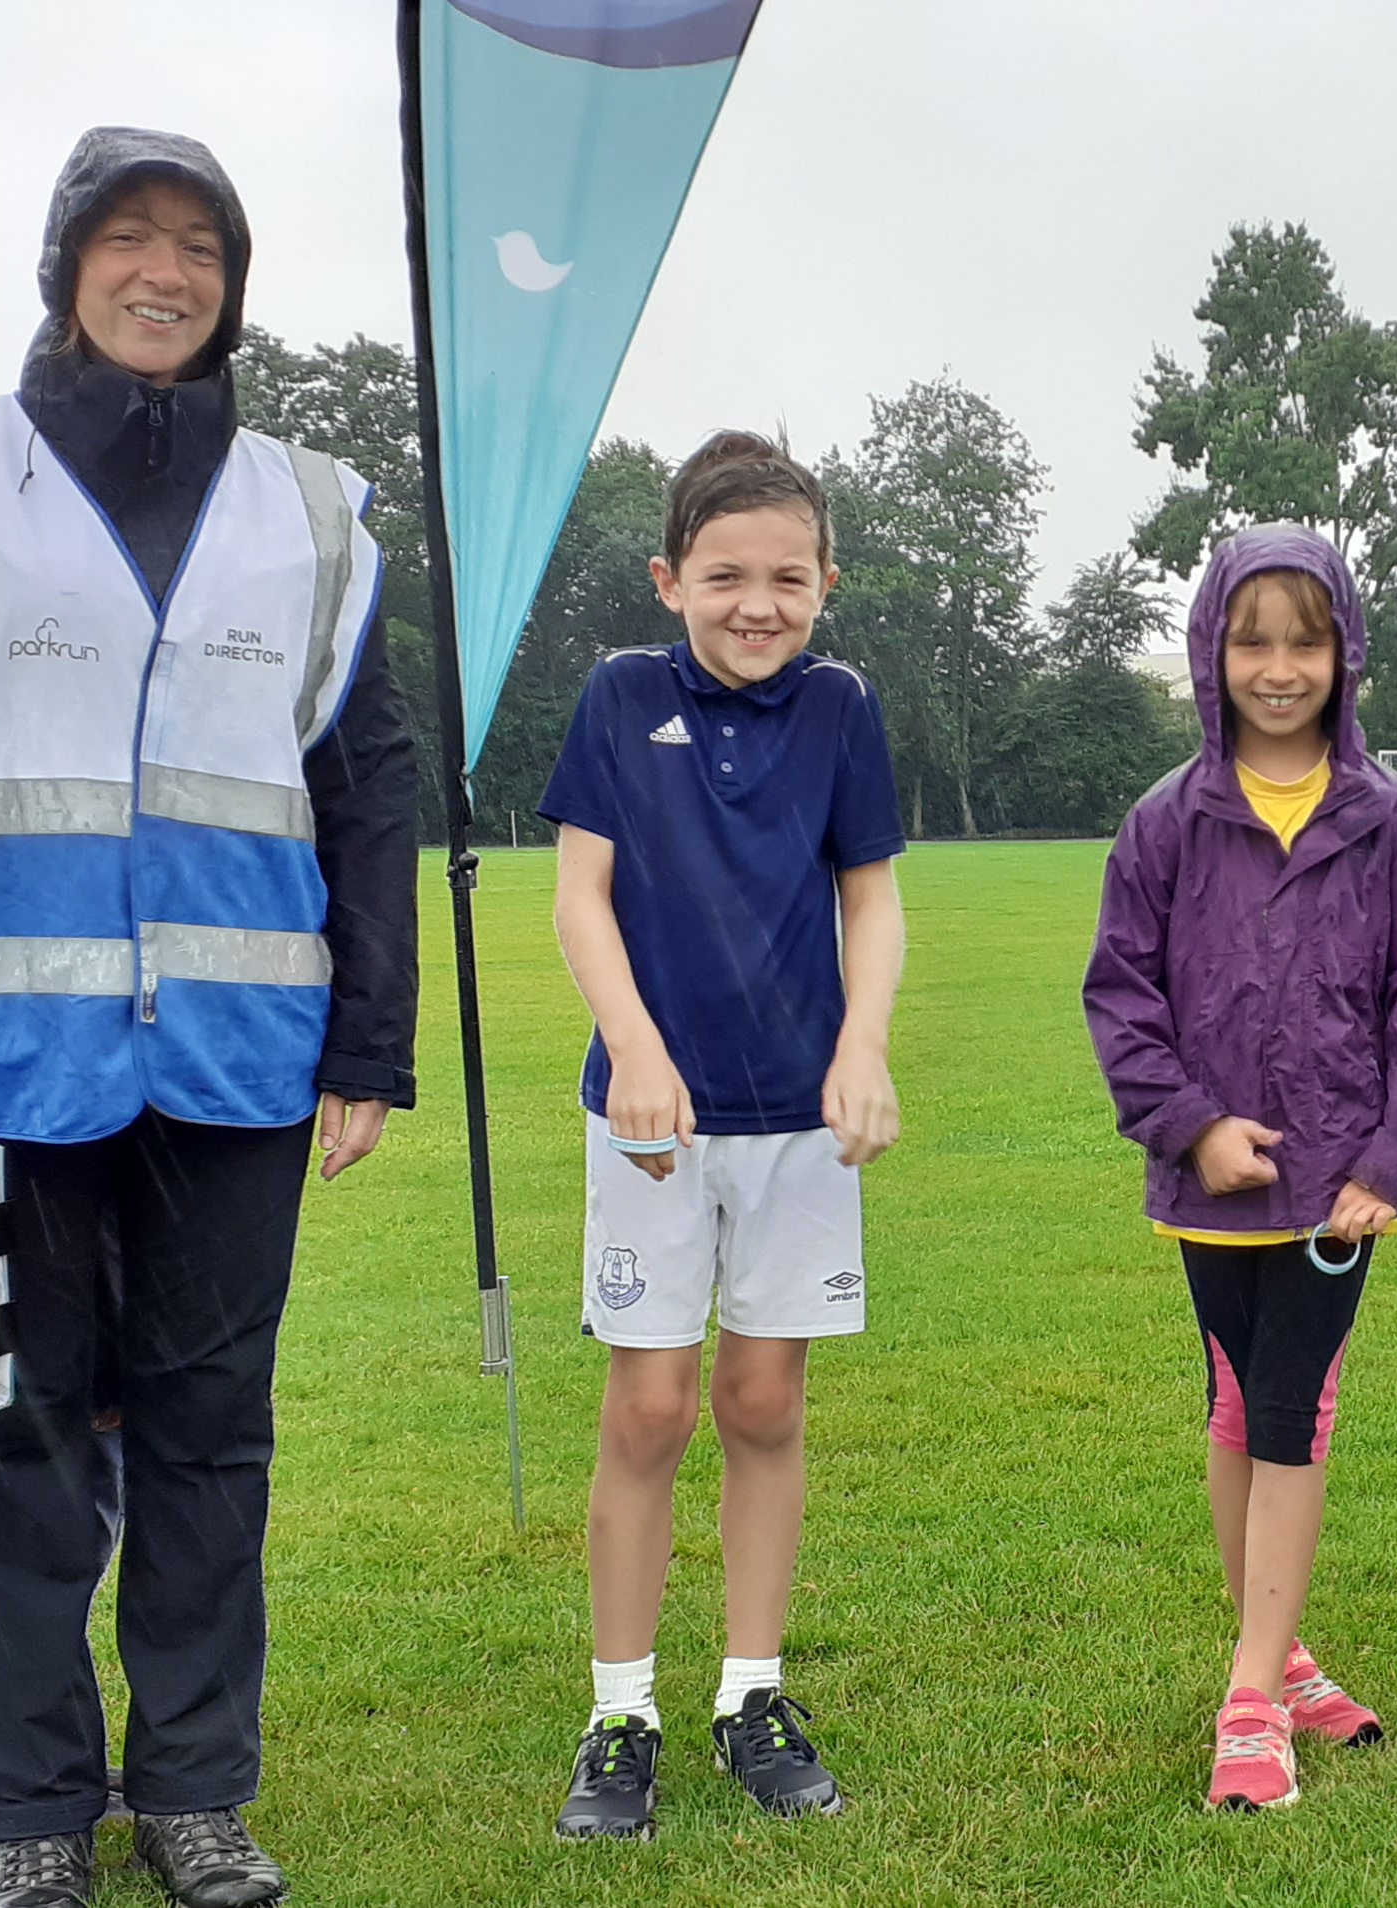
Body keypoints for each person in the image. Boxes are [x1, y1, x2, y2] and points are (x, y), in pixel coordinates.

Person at [0, 128, 418, 1908]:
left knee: (213, 1440)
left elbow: (368, 784)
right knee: (15, 1440)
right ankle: (32, 1814)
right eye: (131, 238)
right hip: (1, 1057)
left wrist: (371, 1041)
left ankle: (197, 1793)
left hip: (237, 1055)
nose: (166, 273)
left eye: (201, 248)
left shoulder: (315, 509)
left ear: (234, 286)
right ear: (68, 265)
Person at [535, 432, 905, 1840]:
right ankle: (619, 1712)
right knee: (648, 1410)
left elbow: (868, 898)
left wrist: (860, 1048)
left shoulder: (842, 707)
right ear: (668, 578)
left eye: (787, 579)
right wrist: (633, 1047)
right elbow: (580, 896)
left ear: (824, 585)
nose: (758, 604)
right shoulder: (620, 698)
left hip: (797, 1121)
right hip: (651, 1121)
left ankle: (751, 1693)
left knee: (762, 1404)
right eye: (726, 576)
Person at [1083, 524, 1397, 1813]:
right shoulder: (1162, 822)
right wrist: (1189, 1125)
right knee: (1239, 1405)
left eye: (1306, 640)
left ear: (1344, 651)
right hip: (1211, 1188)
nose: (1279, 667)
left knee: (1293, 1406)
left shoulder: (1392, 821)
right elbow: (1120, 995)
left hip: (1337, 1190)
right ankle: (1285, 1655)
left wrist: (1395, 1161)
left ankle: (1249, 1696)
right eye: (1252, 640)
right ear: (1211, 650)